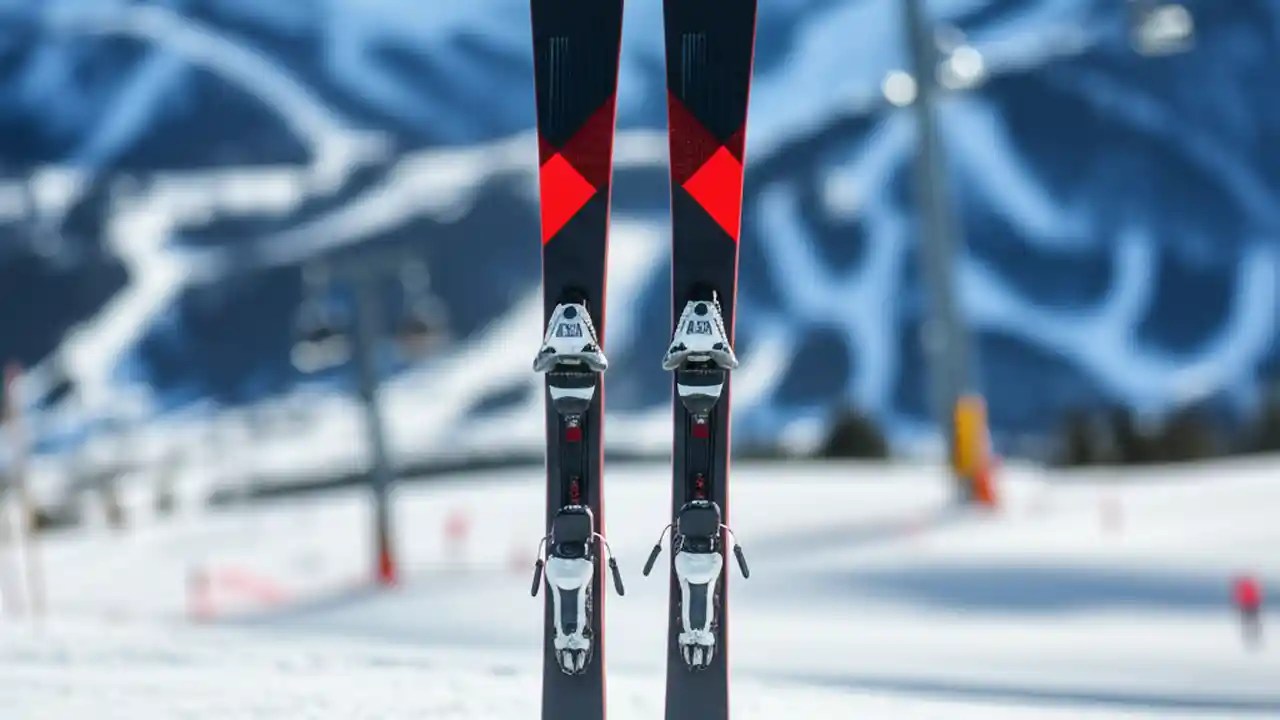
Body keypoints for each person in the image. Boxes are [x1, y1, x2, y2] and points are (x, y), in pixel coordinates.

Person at [1233, 575, 1263, 649]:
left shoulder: (1243, 586)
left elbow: (1239, 596)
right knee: (1251, 621)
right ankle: (1252, 634)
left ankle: (1251, 634)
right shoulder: (1251, 585)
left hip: (1248, 605)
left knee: (1249, 621)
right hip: (1250, 605)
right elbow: (1257, 595)